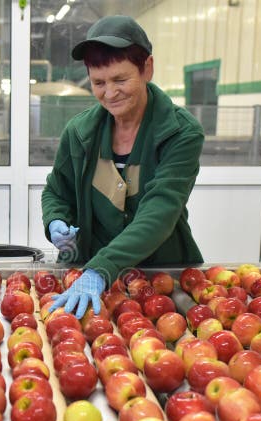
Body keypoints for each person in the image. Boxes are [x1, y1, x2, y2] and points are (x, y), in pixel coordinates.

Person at [43, 15, 204, 319]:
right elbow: (56, 190)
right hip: (93, 279)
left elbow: (159, 212)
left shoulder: (181, 133)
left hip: (159, 278)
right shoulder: (80, 133)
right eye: (98, 83)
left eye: (120, 80)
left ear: (147, 69)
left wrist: (100, 269)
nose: (109, 93)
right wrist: (55, 221)